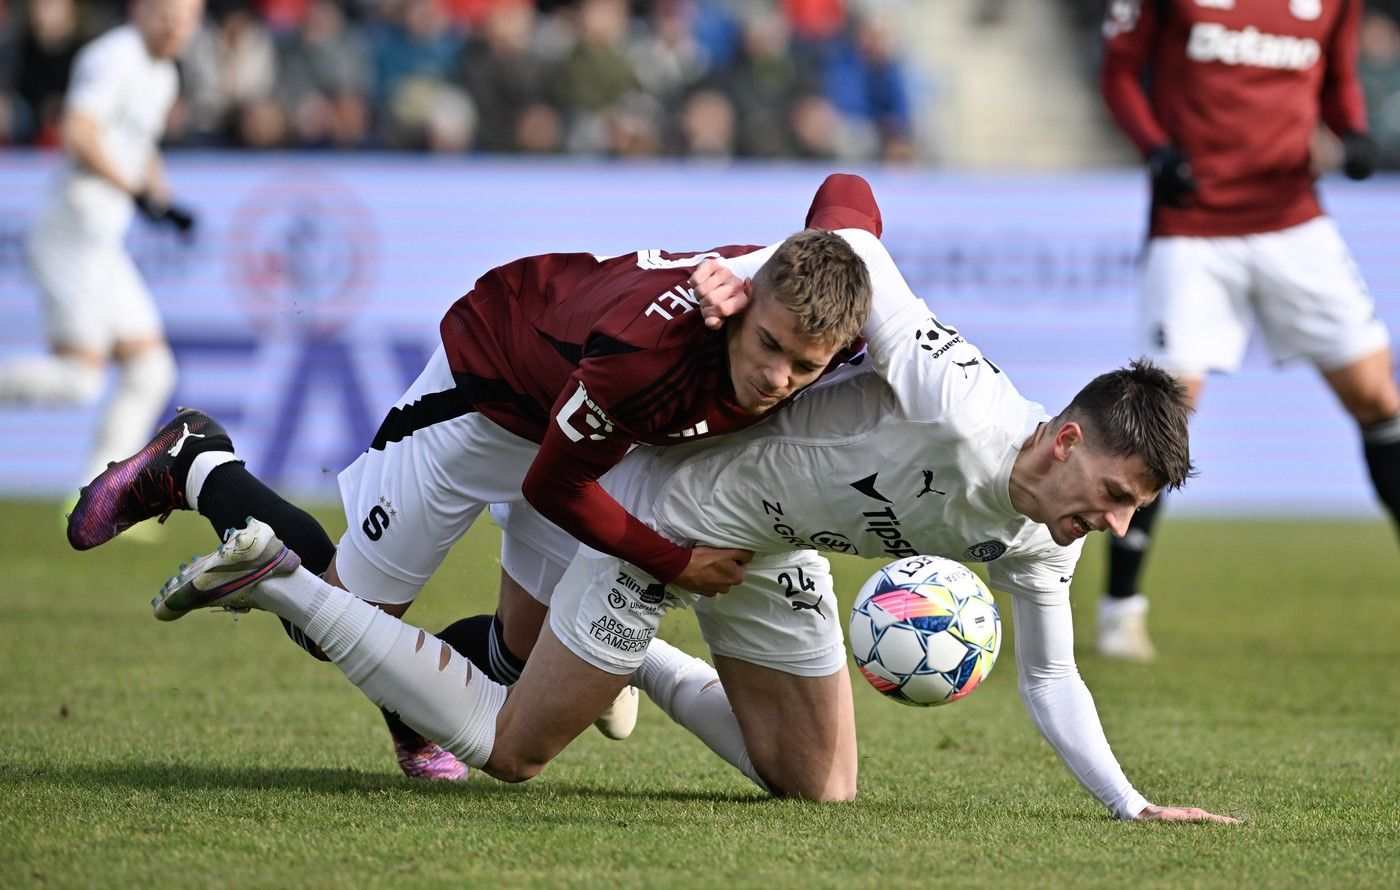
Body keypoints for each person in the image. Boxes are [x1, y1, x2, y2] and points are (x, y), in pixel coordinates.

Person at [151, 189, 1237, 823]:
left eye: (1125, 512)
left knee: (819, 785)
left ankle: (637, 663)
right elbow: (852, 227)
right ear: (1062, 440)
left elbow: (1050, 676)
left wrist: (1129, 805)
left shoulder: (1040, 536)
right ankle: (281, 576)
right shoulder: (953, 395)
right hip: (674, 506)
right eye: (1110, 497)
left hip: (771, 546)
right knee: (513, 745)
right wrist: (749, 268)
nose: (1111, 524)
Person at [67, 181, 873, 779]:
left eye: (803, 364)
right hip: (490, 392)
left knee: (521, 666)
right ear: (746, 306)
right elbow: (558, 486)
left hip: (590, 433)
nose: (777, 377)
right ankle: (197, 463)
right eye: (765, 344)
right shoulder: (647, 357)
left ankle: (409, 694)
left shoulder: (827, 296)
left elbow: (848, 195)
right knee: (328, 624)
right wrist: (674, 563)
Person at [1097, 0, 1400, 660]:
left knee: (1379, 397)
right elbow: (1118, 70)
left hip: (1294, 221)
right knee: (1164, 415)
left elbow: (1336, 74)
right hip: (1192, 228)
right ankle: (1121, 609)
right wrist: (1156, 151)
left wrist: (1352, 131)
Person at [0, 0, 203, 511]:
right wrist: (135, 191)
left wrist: (162, 198)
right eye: (167, 15)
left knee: (151, 369)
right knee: (79, 379)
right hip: (70, 235)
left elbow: (138, 144)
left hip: (100, 244)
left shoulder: (164, 75)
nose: (176, 27)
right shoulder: (114, 56)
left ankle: (99, 497)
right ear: (141, 11)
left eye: (188, 17)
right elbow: (78, 132)